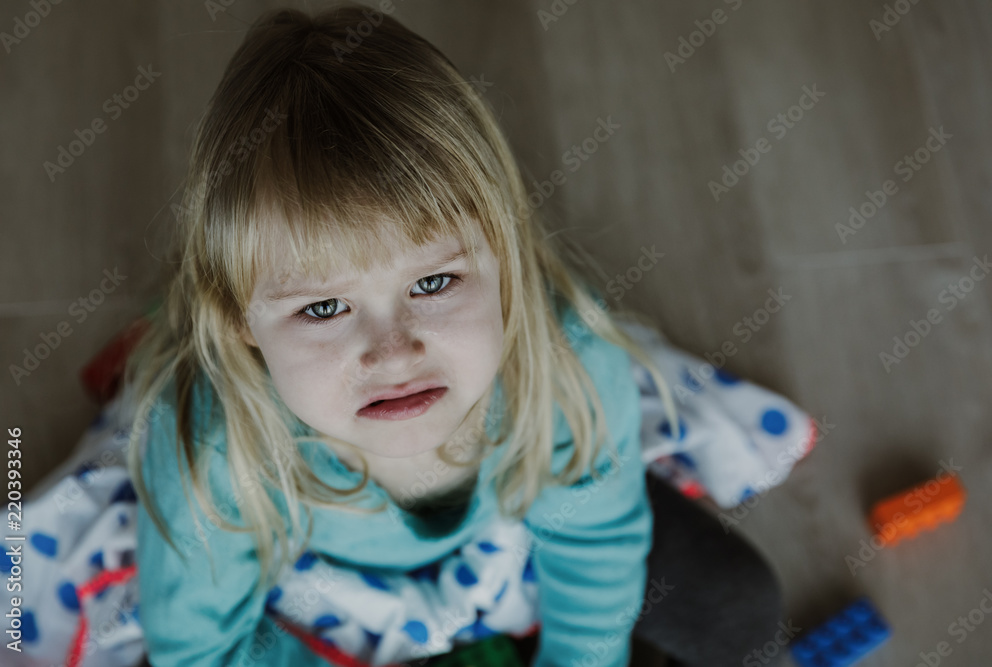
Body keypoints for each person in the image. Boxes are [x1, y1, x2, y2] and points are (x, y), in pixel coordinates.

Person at [124, 4, 785, 666]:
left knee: (738, 606)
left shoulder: (568, 363)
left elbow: (594, 545)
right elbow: (201, 649)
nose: (393, 352)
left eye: (434, 284)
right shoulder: (214, 447)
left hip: (526, 535)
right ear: (241, 322)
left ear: (505, 256)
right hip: (316, 582)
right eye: (324, 308)